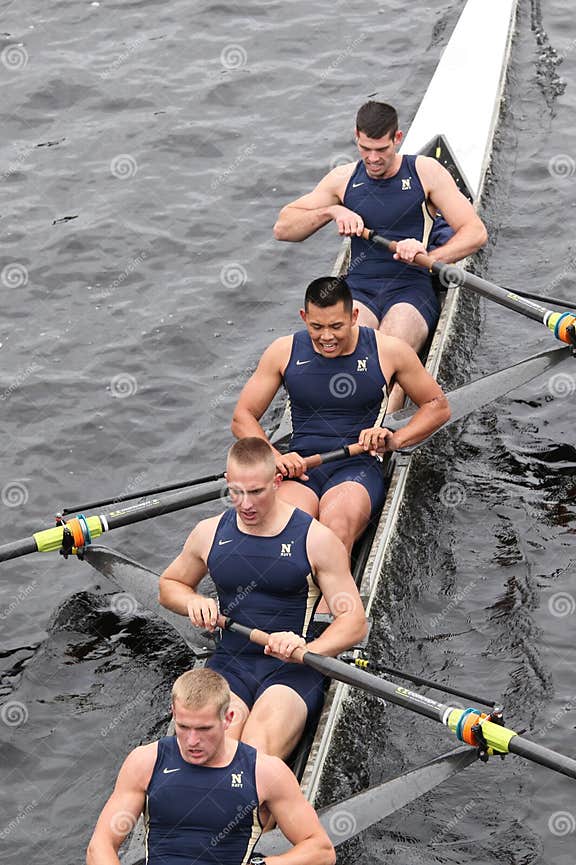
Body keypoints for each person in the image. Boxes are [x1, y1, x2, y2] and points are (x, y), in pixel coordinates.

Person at [158, 437, 367, 760]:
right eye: (236, 492)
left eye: (256, 492)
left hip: (292, 669)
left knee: (254, 754)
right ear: (227, 482)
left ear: (277, 482)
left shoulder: (315, 539)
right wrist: (192, 601)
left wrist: (307, 650)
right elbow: (169, 585)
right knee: (212, 753)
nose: (245, 504)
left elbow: (354, 623)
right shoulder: (208, 532)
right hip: (230, 664)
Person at [273, 100, 487, 410]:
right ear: (356, 138)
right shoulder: (342, 179)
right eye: (365, 149)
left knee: (387, 355)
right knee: (339, 351)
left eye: (381, 149)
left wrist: (429, 254)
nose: (373, 158)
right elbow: (283, 228)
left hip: (411, 289)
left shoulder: (425, 172)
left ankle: (384, 430)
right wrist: (332, 212)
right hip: (359, 290)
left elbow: (475, 232)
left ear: (397, 139)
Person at [231, 276, 451, 555]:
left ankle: (331, 574)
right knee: (283, 534)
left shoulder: (388, 350)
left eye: (336, 326)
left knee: (336, 531)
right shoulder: (282, 351)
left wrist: (395, 439)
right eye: (317, 327)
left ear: (354, 316)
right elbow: (242, 416)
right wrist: (274, 457)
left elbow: (437, 405)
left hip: (357, 465)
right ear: (304, 317)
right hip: (302, 467)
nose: (327, 337)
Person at [86, 668, 335, 865]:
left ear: (228, 719)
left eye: (204, 729)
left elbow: (321, 850)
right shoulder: (145, 762)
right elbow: (100, 846)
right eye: (183, 727)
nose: (192, 740)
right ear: (173, 713)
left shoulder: (265, 772)